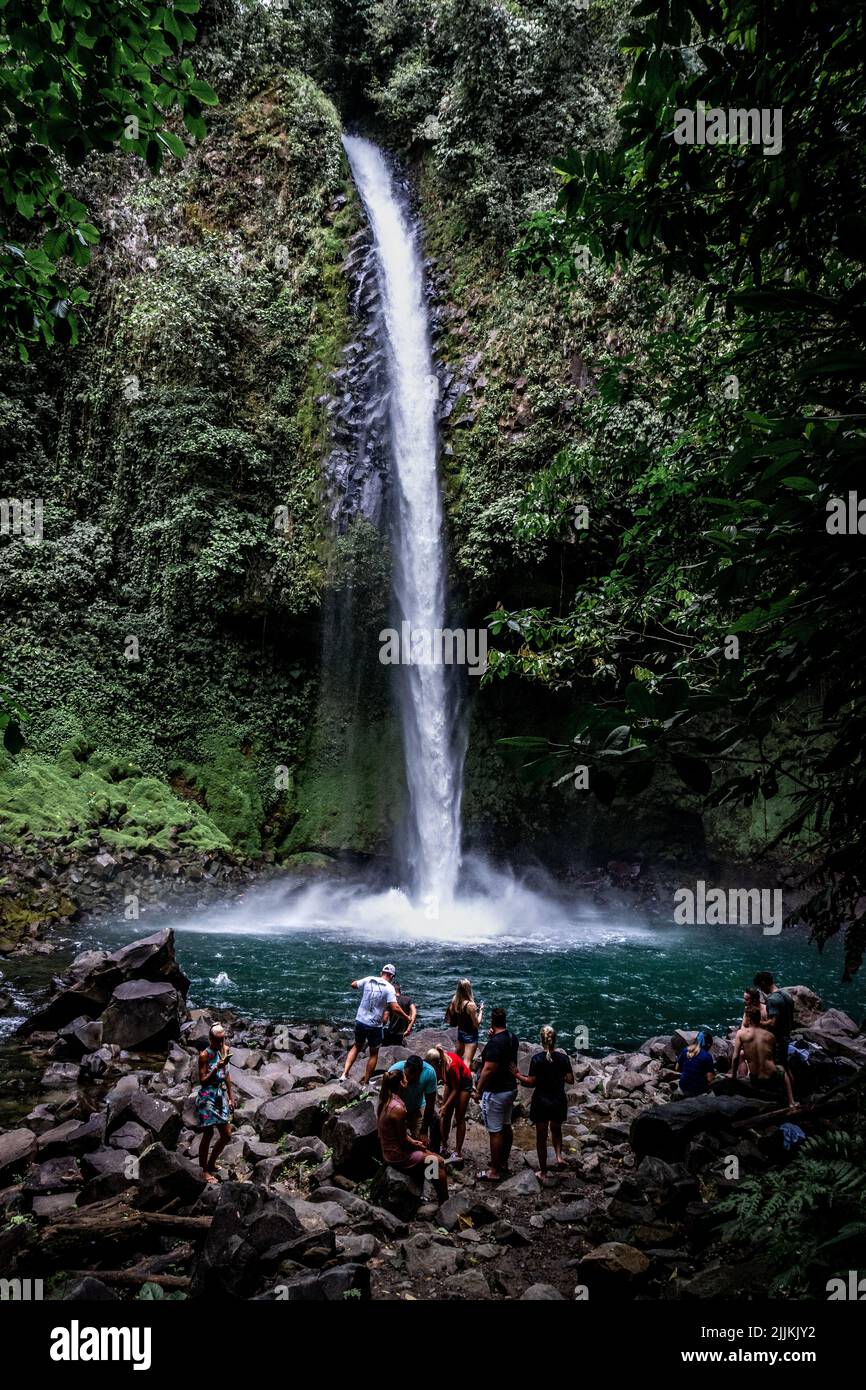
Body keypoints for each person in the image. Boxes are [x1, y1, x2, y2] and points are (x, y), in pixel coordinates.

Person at [377, 1067, 448, 1203]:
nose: (407, 1081)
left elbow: (400, 1135)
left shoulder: (386, 1099)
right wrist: (415, 1144)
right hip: (396, 1155)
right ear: (401, 1084)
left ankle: (429, 1188)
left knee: (432, 1157)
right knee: (437, 1161)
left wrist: (414, 1142)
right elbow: (403, 1141)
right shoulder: (397, 1109)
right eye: (405, 1079)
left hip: (389, 1149)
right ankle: (444, 1202)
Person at [515, 1025, 574, 1181]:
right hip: (558, 1100)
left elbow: (531, 1082)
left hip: (541, 1101)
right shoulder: (563, 1058)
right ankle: (559, 1157)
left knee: (541, 1137)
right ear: (555, 1040)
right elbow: (570, 1079)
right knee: (556, 1128)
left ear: (541, 1040)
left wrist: (517, 1075)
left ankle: (543, 1172)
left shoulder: (537, 1059)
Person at [340, 964, 412, 1085]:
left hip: (360, 1020)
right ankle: (366, 1083)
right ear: (392, 976)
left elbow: (353, 985)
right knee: (374, 1053)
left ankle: (344, 1074)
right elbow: (394, 1007)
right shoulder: (389, 988)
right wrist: (406, 1017)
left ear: (381, 973)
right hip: (374, 1025)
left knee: (357, 1046)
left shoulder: (368, 979)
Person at [475, 1006, 519, 1181]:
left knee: (495, 1131)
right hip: (511, 1088)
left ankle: (494, 1171)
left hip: (496, 1091)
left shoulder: (495, 1042)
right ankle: (504, 1162)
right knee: (506, 1125)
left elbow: (488, 1069)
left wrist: (478, 1090)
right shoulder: (512, 1038)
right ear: (505, 1020)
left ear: (492, 1021)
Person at [731, 1007, 797, 1109]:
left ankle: (744, 1077)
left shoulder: (741, 1033)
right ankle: (791, 1102)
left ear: (748, 1019)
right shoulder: (770, 1035)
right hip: (771, 1076)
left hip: (756, 1078)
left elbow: (735, 1058)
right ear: (759, 1019)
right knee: (782, 1069)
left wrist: (733, 1077)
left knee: (742, 1056)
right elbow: (773, 1058)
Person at [196, 1023, 235, 1183]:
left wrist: (231, 1097)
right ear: (210, 1039)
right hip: (207, 1097)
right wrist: (216, 1068)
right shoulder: (204, 1055)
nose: (220, 1043)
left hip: (219, 1096)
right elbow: (203, 1080)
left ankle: (211, 1163)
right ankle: (204, 1170)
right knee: (208, 1133)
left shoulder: (224, 1050)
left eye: (222, 1039)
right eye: (217, 1040)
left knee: (226, 1135)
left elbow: (226, 1075)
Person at [425, 1045, 472, 1161]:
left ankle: (458, 1151)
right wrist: (445, 1107)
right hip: (451, 1082)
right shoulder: (439, 1064)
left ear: (437, 1063)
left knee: (459, 1117)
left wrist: (445, 1105)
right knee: (445, 1115)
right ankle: (444, 1144)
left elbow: (456, 1089)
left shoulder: (451, 1067)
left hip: (464, 1083)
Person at [387, 1054, 439, 1143]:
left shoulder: (429, 1073)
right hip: (397, 1109)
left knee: (421, 1141)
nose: (408, 1080)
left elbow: (430, 1103)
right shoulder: (395, 1072)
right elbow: (386, 1098)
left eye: (413, 1078)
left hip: (416, 1107)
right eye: (406, 1076)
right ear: (404, 1068)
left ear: (420, 1073)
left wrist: (424, 1131)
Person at [753, 970, 795, 1070]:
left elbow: (772, 1023)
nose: (761, 990)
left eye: (760, 987)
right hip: (787, 1036)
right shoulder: (786, 995)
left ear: (763, 983)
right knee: (785, 1066)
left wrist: (758, 1023)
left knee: (778, 1067)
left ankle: (780, 1085)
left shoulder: (772, 1000)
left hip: (778, 1040)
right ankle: (790, 1085)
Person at [444, 979, 484, 1067]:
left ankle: (449, 1071)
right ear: (468, 989)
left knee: (457, 1056)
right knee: (467, 1061)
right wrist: (481, 1011)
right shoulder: (470, 1005)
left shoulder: (455, 1001)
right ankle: (464, 1080)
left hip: (461, 1032)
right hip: (470, 1034)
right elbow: (477, 1024)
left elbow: (452, 1013)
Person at [676, 1030, 716, 1096]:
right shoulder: (707, 1056)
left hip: (683, 1086)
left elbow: (677, 1068)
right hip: (697, 1090)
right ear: (708, 1044)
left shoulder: (686, 1049)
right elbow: (709, 1079)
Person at [383, 981, 416, 1047]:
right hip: (404, 1033)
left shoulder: (389, 1002)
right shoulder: (408, 999)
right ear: (399, 989)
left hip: (392, 1033)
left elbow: (385, 1020)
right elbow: (414, 1013)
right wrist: (409, 1029)